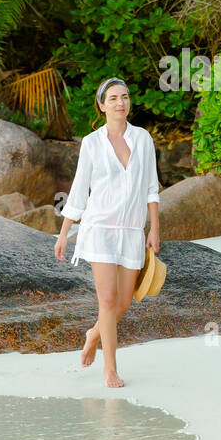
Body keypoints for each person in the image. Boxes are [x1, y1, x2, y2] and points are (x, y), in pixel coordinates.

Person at [54, 77, 160, 387]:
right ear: (102, 106)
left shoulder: (143, 139)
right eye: (113, 98)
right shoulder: (91, 143)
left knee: (125, 302)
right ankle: (110, 370)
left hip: (131, 231)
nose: (120, 103)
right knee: (109, 301)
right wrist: (64, 233)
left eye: (124, 97)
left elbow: (152, 187)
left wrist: (154, 227)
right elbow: (78, 191)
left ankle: (94, 333)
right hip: (99, 228)